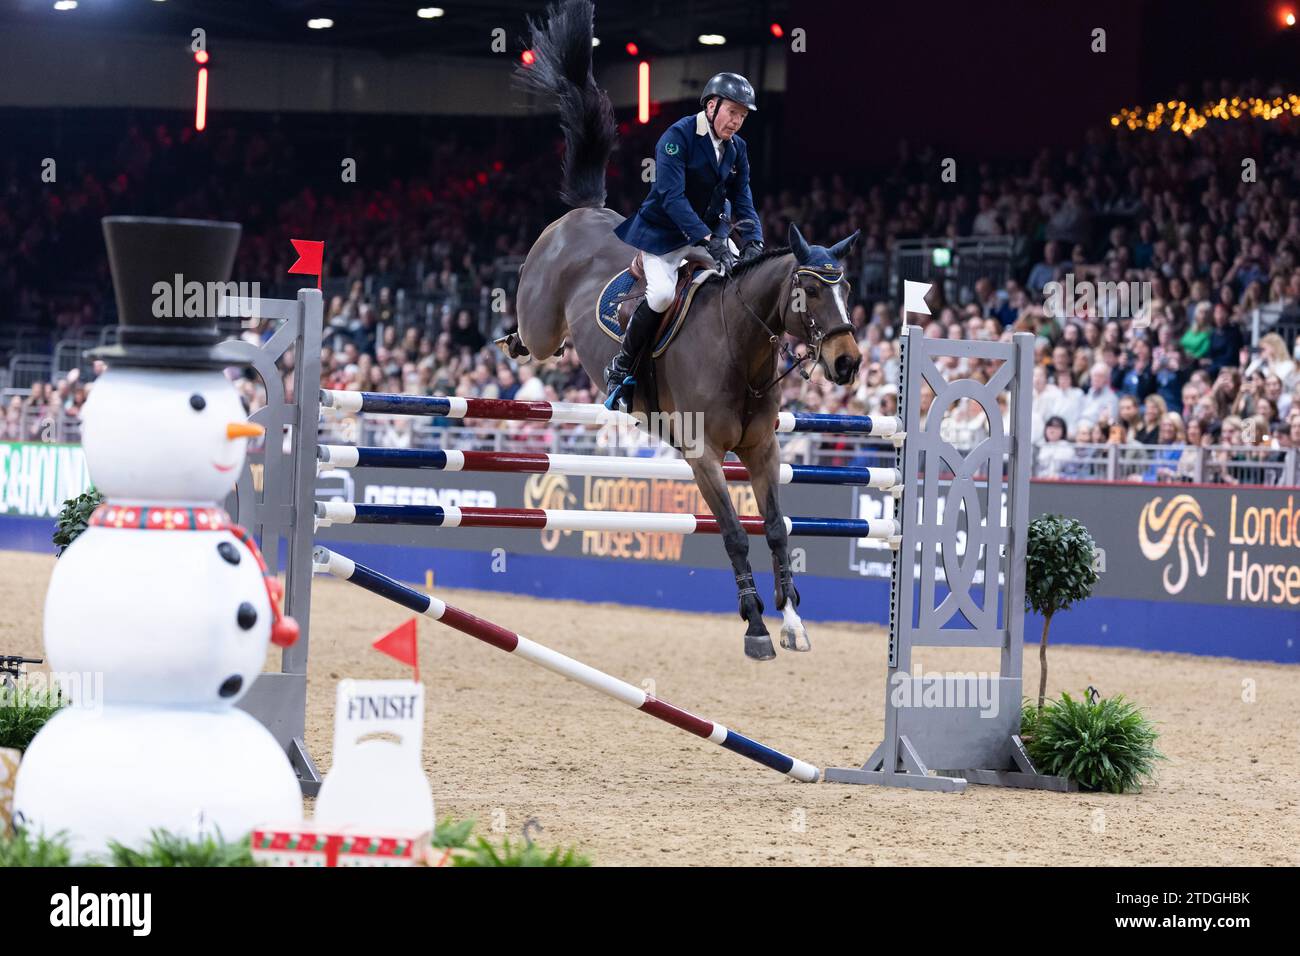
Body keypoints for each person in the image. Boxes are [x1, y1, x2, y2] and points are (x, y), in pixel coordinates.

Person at [606, 72, 764, 406]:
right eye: (732, 112)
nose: (737, 122)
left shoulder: (737, 148)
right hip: (663, 233)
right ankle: (621, 366)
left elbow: (743, 197)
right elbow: (672, 197)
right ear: (711, 106)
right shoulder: (676, 137)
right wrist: (709, 239)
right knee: (662, 295)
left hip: (707, 233)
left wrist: (754, 239)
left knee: (741, 284)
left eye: (743, 116)